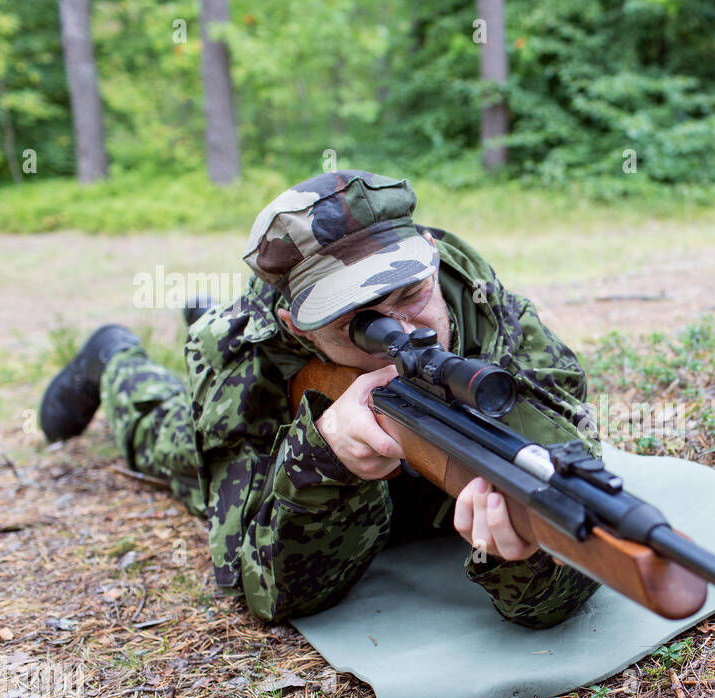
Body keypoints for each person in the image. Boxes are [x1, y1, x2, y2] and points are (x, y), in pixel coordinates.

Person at [37, 170, 601, 627]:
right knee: (165, 442)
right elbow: (266, 589)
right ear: (299, 326)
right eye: (359, 324)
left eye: (410, 292)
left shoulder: (499, 322)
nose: (404, 332)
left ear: (429, 253)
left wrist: (527, 558)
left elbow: (576, 504)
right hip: (268, 400)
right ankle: (112, 357)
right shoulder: (246, 352)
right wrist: (324, 463)